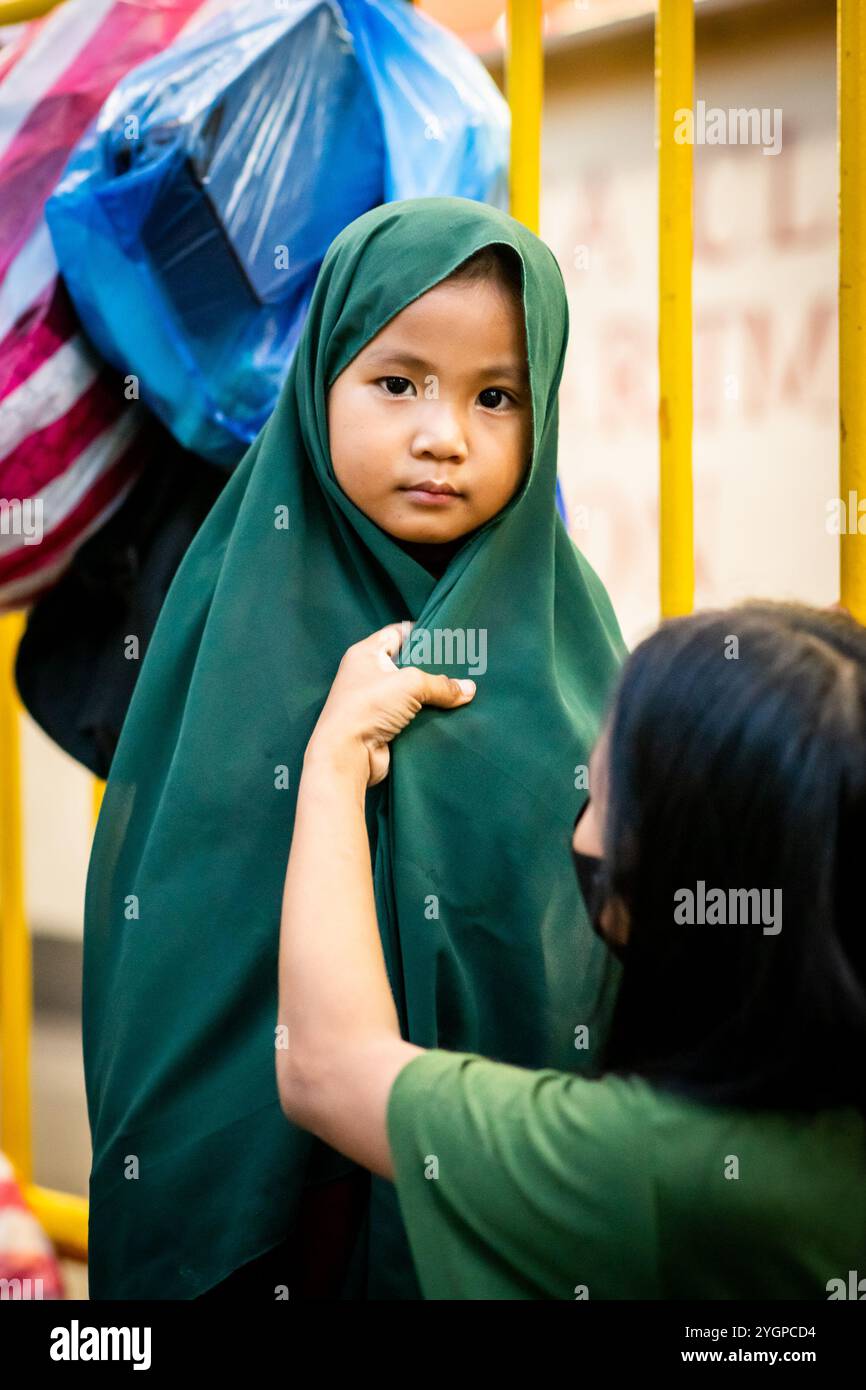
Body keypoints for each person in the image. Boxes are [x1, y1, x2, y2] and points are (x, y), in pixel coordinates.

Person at [82, 196, 625, 1299]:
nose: (443, 434)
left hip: (485, 1211)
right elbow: (177, 950)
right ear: (318, 376)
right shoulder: (233, 617)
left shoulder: (569, 650)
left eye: (496, 397)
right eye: (397, 383)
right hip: (273, 1231)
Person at [278, 601, 866, 1299]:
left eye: (603, 788)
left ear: (675, 872)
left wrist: (333, 766)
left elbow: (327, 1067)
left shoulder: (642, 1167)